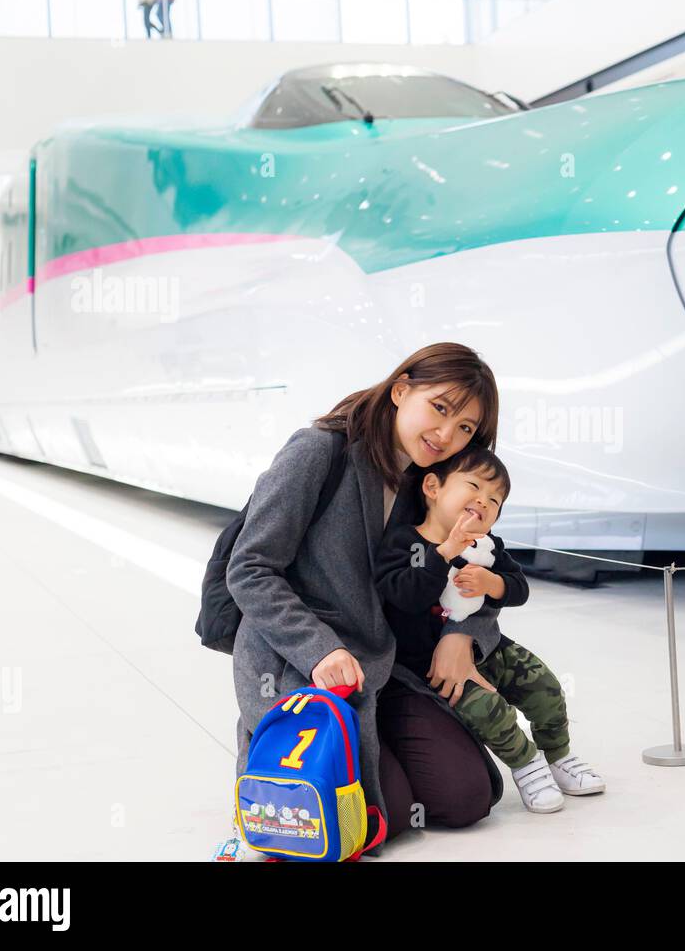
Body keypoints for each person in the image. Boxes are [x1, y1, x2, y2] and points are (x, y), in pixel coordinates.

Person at [216, 343, 508, 858]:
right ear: (401, 390)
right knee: (370, 821)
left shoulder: (437, 481)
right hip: (302, 666)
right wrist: (318, 649)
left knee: (467, 798)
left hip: (387, 665)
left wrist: (463, 634)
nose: (446, 435)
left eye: (465, 428)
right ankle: (318, 759)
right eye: (440, 408)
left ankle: (371, 749)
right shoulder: (318, 452)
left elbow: (480, 563)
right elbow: (251, 568)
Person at [374, 446, 606, 814]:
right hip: (430, 668)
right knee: (488, 710)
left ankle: (558, 755)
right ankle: (526, 765)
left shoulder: (488, 546)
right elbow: (404, 596)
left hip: (489, 649)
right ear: (432, 487)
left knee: (545, 687)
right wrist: (444, 552)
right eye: (474, 487)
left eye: (495, 500)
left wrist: (492, 583)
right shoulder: (405, 542)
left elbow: (519, 587)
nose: (484, 502)